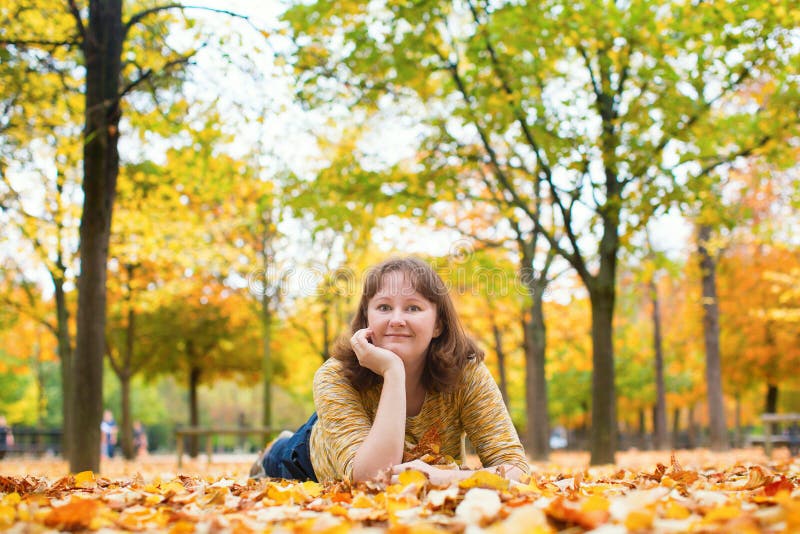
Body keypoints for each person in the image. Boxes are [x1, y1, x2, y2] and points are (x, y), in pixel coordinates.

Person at [250, 257, 529, 484]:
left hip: (400, 460)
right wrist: (393, 371)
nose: (397, 320)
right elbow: (372, 479)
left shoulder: (466, 374)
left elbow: (516, 468)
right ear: (366, 318)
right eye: (384, 307)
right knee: (281, 457)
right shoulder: (334, 376)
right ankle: (274, 450)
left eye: (413, 308)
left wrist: (446, 478)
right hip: (308, 460)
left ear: (438, 325)